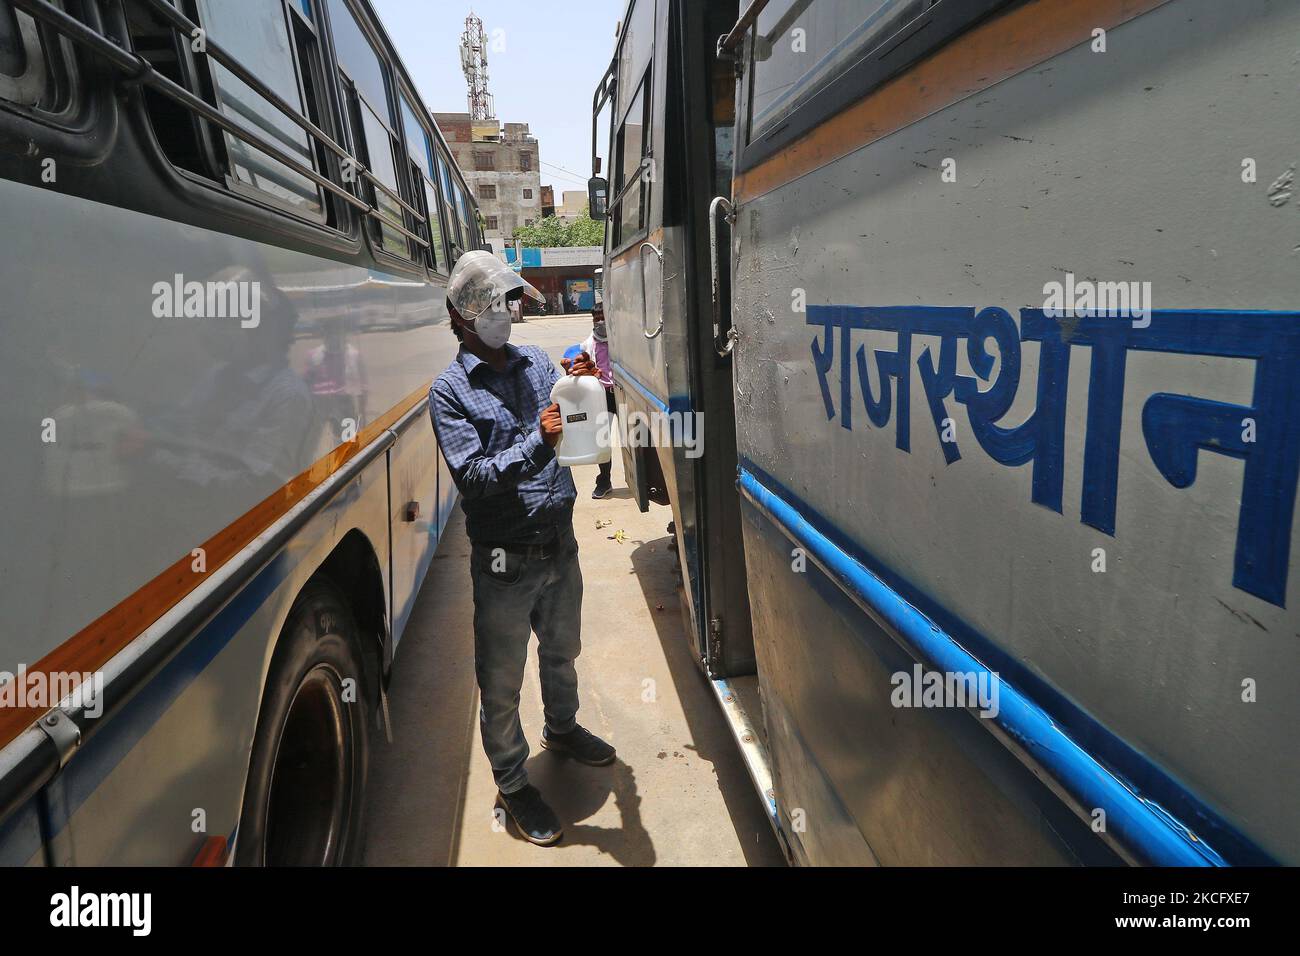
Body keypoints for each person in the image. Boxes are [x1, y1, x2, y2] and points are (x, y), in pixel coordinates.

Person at [428, 251, 616, 847]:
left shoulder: (537, 361)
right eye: (486, 306)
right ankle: (512, 782)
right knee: (502, 680)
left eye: (505, 302)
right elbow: (476, 477)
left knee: (563, 651)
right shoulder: (450, 393)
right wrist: (539, 438)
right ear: (460, 318)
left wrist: (584, 379)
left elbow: (579, 426)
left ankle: (561, 730)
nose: (501, 314)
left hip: (559, 543)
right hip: (505, 559)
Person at [582, 304, 617, 499]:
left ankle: (644, 481)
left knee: (637, 438)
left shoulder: (621, 339)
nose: (600, 321)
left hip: (622, 393)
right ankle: (604, 481)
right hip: (602, 396)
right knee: (602, 440)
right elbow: (577, 362)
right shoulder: (588, 344)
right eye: (596, 318)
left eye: (603, 317)